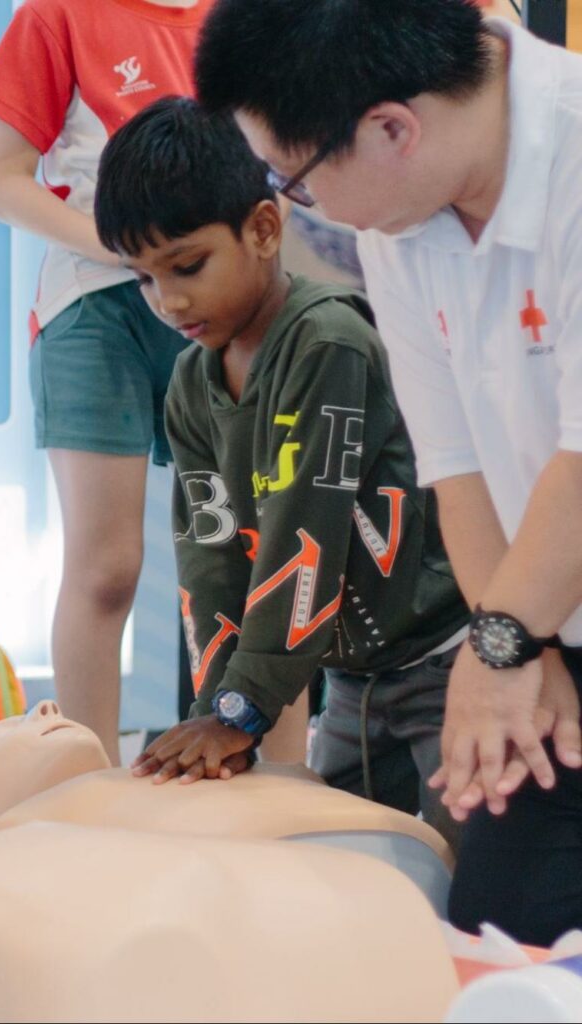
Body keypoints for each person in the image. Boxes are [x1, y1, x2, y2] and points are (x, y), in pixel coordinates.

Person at [195, 0, 582, 944]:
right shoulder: (401, 229)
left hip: (531, 608)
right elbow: (456, 467)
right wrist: (526, 649)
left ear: (391, 128)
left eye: (294, 181)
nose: (296, 209)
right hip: (546, 613)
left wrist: (497, 652)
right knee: (504, 924)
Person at [94, 99, 468, 845]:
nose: (168, 302)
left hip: (444, 668)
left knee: (471, 882)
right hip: (352, 685)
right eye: (143, 278)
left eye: (187, 265)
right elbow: (209, 561)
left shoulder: (328, 341)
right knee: (345, 870)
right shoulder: (189, 387)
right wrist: (218, 707)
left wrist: (243, 711)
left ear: (265, 228)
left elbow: (307, 536)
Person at [0, 0, 214, 762]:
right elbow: (4, 181)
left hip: (222, 304)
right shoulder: (57, 13)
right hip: (92, 302)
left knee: (248, 555)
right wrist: (124, 248)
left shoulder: (244, 20)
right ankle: (90, 787)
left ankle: (278, 779)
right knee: (107, 568)